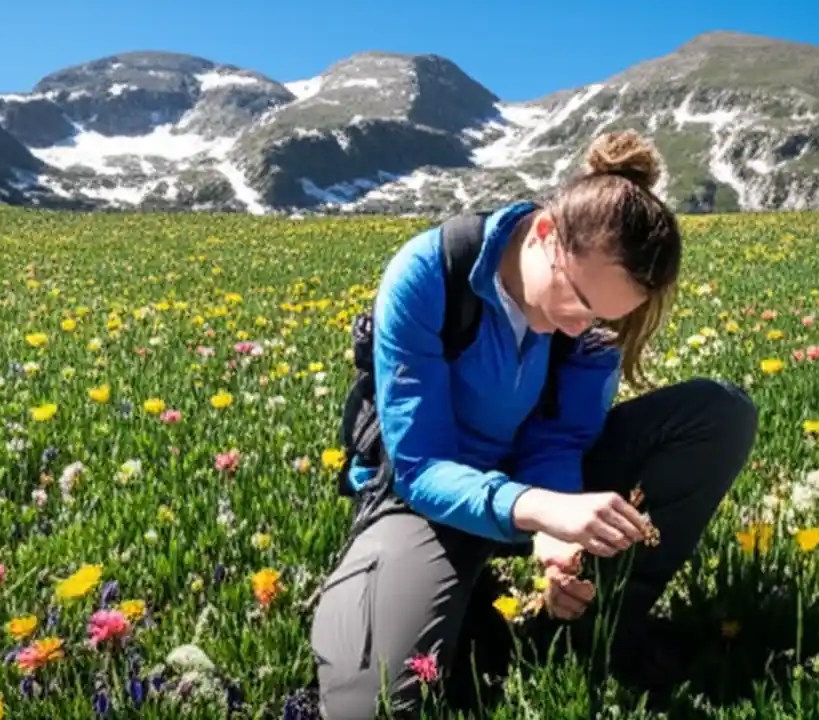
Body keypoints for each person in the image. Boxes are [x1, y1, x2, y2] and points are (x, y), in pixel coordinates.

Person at [308, 130, 758, 718]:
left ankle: (591, 626)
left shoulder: (589, 320)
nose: (581, 329)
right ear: (545, 234)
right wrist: (539, 508)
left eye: (603, 318)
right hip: (422, 503)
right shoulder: (430, 273)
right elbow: (419, 467)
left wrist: (556, 542)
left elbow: (561, 435)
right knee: (369, 705)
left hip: (531, 489)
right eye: (577, 302)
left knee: (719, 414)